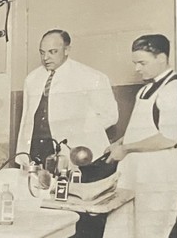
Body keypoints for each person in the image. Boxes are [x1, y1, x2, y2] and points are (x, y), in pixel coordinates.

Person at [97, 34, 177, 238]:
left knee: (156, 232)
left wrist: (128, 148)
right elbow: (140, 129)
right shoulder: (146, 90)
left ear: (162, 58)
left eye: (142, 63)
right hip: (137, 172)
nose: (137, 68)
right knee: (129, 229)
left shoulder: (173, 90)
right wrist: (119, 142)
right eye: (135, 62)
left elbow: (169, 138)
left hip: (160, 174)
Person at [16, 29, 119, 165]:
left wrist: (79, 130)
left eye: (52, 52)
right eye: (42, 52)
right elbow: (26, 118)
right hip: (38, 151)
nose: (45, 58)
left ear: (67, 50)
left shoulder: (91, 77)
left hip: (77, 152)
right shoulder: (31, 79)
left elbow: (110, 115)